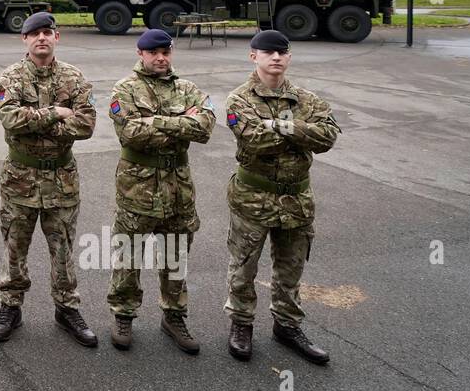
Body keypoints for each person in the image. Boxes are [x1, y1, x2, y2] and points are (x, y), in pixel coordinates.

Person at [224, 29, 339, 365]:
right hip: (252, 197)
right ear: (253, 56)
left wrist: (281, 126)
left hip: (297, 200)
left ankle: (287, 326)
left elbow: (328, 136)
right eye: (268, 52)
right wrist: (301, 131)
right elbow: (253, 140)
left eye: (282, 52)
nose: (276, 57)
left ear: (288, 57)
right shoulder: (239, 99)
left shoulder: (307, 99)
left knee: (290, 268)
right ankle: (241, 324)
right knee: (243, 267)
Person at [0, 11, 98, 347]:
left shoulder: (75, 77)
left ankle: (67, 308)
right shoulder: (11, 77)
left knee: (63, 248)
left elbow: (86, 124)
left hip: (61, 180)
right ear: (24, 39)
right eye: (34, 33)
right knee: (14, 248)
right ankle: (10, 306)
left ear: (57, 37)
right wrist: (56, 113)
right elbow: (10, 119)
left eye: (47, 32)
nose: (41, 38)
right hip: (19, 179)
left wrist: (37, 121)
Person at [106, 28, 214, 354]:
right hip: (137, 187)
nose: (161, 58)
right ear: (140, 54)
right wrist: (180, 121)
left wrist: (156, 122)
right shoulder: (125, 88)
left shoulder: (187, 87)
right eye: (153, 53)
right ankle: (124, 314)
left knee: (175, 255)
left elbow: (206, 127)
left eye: (166, 52)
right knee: (129, 253)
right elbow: (131, 133)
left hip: (178, 187)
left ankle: (174, 315)